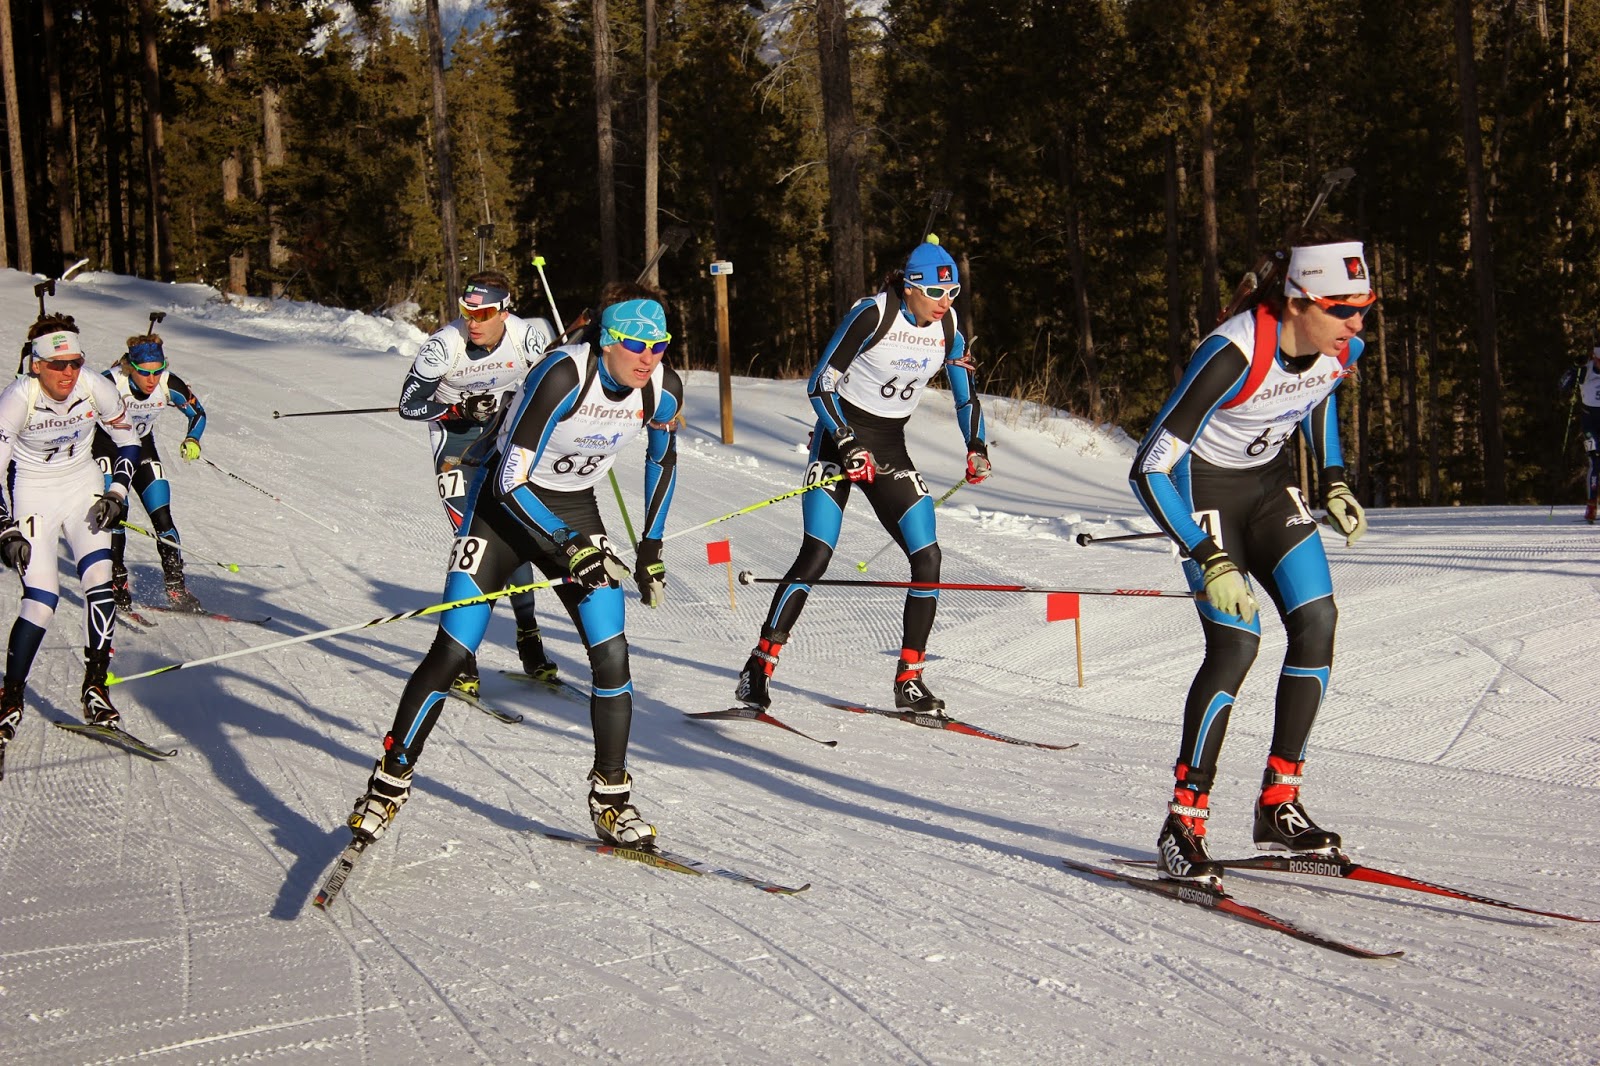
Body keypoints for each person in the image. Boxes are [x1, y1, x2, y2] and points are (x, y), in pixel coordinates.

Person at [348, 285, 681, 849]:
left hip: (575, 510)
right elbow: (509, 479)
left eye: (659, 345)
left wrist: (651, 547)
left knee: (612, 655)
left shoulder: (662, 390)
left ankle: (611, 799)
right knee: (453, 650)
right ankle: (388, 784)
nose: (648, 357)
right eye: (635, 344)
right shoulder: (562, 375)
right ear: (607, 341)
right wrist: (569, 546)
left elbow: (663, 457)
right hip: (501, 512)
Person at [1129, 228, 1375, 883]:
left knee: (1317, 621)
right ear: (1298, 302)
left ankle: (1278, 803)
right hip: (1204, 489)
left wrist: (1334, 480)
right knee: (1237, 644)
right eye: (1342, 310)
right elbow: (1148, 467)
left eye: (1364, 308)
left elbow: (1319, 394)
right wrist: (1206, 556)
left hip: (1268, 488)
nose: (1355, 325)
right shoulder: (1231, 353)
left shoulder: (1341, 346)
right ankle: (1184, 822)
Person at [735, 238, 988, 716]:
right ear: (910, 287)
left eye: (952, 292)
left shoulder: (949, 326)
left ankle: (909, 679)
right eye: (936, 292)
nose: (945, 302)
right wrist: (847, 441)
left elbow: (965, 395)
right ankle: (759, 666)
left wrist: (976, 445)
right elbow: (820, 384)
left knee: (928, 555)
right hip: (838, 440)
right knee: (816, 554)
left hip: (889, 447)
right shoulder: (873, 315)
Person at [398, 269, 559, 695]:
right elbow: (409, 404)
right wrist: (457, 410)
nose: (473, 321)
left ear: (504, 312)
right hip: (455, 444)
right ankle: (462, 656)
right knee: (471, 544)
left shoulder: (526, 338)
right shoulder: (443, 345)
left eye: (484, 313)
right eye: (467, 311)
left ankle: (528, 635)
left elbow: (551, 386)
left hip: (501, 438)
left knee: (516, 534)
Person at [0, 316, 142, 769]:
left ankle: (95, 688)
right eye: (58, 364)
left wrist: (116, 493)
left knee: (101, 582)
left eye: (76, 363)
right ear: (36, 365)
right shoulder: (17, 399)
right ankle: (10, 700)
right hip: (33, 495)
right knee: (42, 600)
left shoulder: (94, 386)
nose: (68, 373)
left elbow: (128, 439)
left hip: (82, 487)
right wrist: (5, 527)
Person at [92, 332, 208, 612]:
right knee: (118, 515)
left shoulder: (168, 384)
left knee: (163, 515)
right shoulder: (110, 382)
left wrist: (192, 439)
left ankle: (175, 586)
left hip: (142, 449)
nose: (152, 379)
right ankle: (116, 582)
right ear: (130, 367)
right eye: (145, 373)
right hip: (108, 450)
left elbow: (198, 413)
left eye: (158, 371)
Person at [1556, 344, 1600, 523]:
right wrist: (1575, 368)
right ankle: (1591, 506)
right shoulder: (1585, 370)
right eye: (1599, 361)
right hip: (1590, 423)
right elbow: (1562, 385)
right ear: (1594, 358)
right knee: (1595, 461)